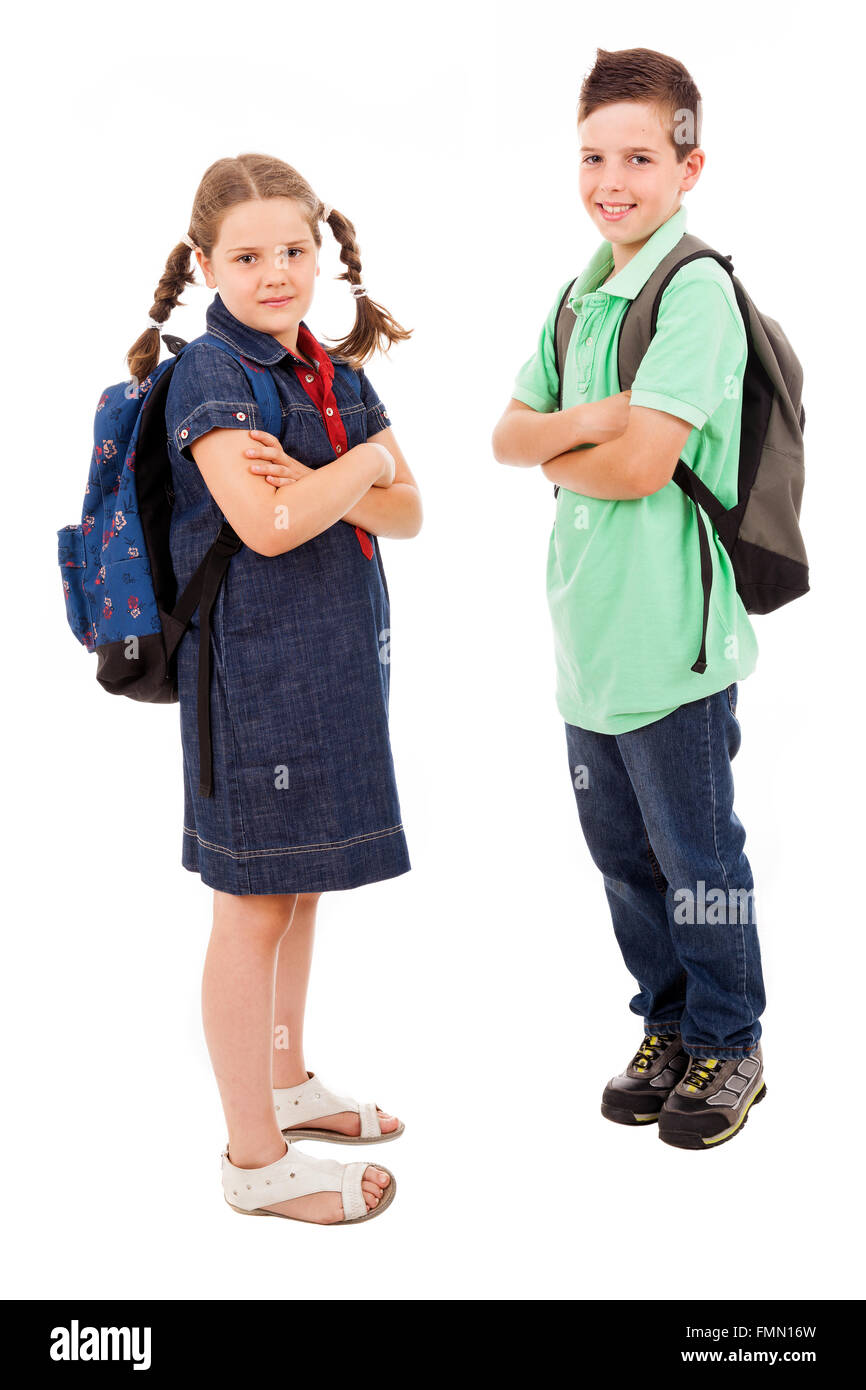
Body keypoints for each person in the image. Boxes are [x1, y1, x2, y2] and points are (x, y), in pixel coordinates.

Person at [126, 153, 421, 1221]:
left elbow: (411, 510)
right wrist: (362, 471)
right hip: (251, 677)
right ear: (206, 262)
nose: (275, 273)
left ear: (319, 250)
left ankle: (287, 1084)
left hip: (332, 665)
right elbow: (269, 523)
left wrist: (339, 482)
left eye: (292, 251)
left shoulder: (331, 369)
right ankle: (254, 1161)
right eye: (247, 256)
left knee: (295, 887)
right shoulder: (210, 374)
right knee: (249, 904)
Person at [492, 49, 767, 1150]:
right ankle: (664, 1024)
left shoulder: (691, 289)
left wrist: (568, 437)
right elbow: (503, 434)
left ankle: (729, 1037)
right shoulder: (576, 293)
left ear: (687, 165)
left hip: (672, 645)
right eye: (593, 155)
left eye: (639, 156)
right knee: (622, 859)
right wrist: (586, 428)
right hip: (586, 643)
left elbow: (646, 464)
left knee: (699, 862)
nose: (612, 178)